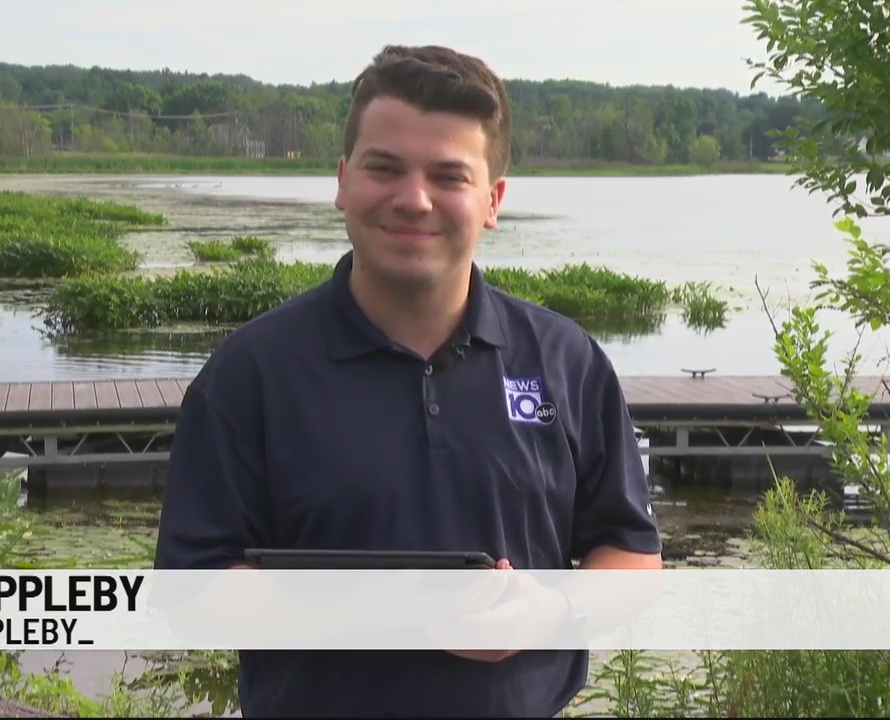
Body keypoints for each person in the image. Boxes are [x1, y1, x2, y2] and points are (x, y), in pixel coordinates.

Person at [154, 44, 663, 718]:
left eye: (449, 176)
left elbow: (631, 555)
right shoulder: (251, 374)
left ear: (492, 200)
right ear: (343, 181)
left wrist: (550, 611)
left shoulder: (566, 361)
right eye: (384, 168)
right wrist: (385, 608)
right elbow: (191, 590)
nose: (414, 199)